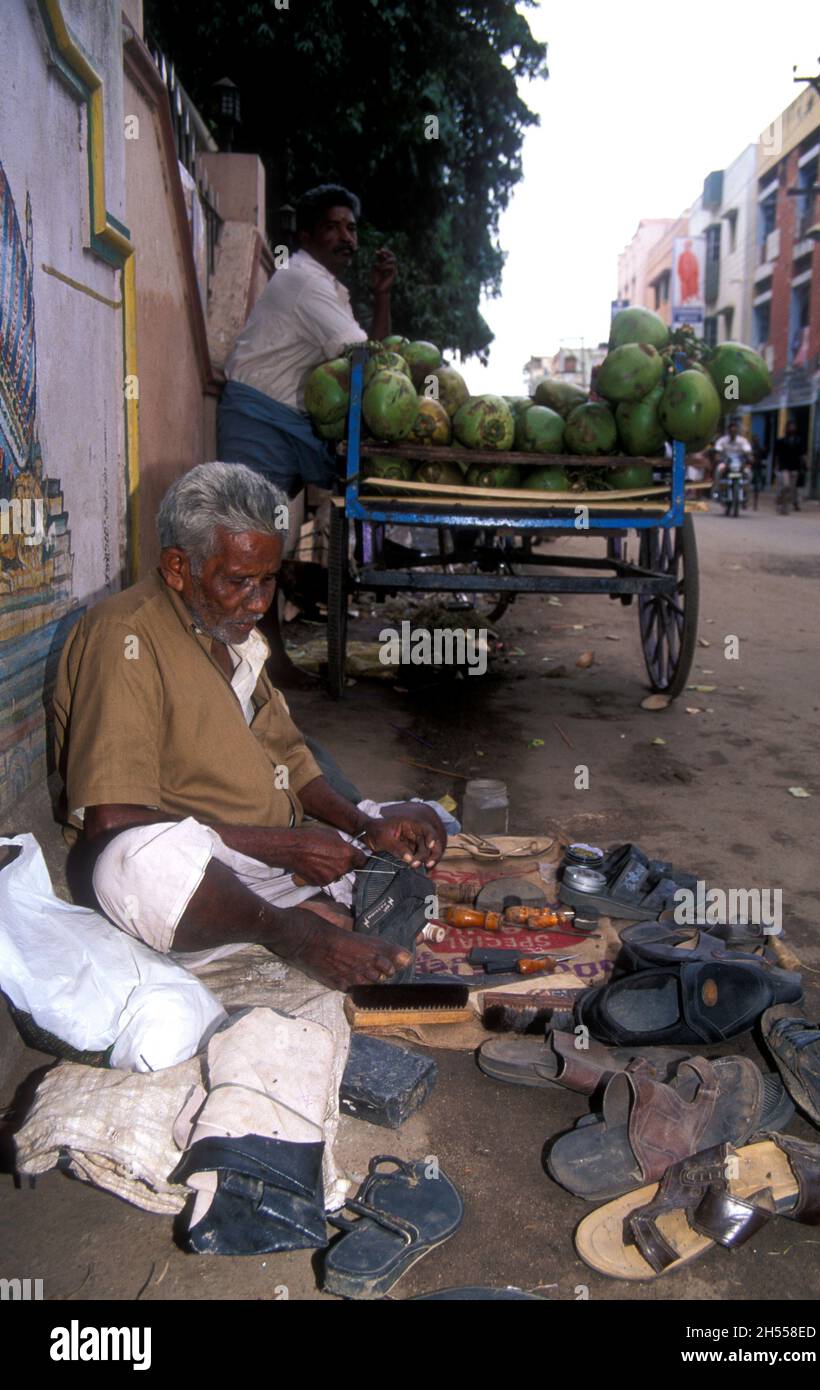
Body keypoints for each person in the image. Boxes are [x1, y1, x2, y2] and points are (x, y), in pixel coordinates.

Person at [52, 463, 448, 1252]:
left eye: (268, 580)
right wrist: (283, 846)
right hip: (186, 884)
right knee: (135, 860)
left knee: (427, 833)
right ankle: (294, 935)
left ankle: (313, 918)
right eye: (239, 581)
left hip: (264, 868)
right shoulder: (123, 638)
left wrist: (363, 824)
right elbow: (114, 822)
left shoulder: (235, 633)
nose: (258, 601)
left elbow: (295, 761)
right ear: (178, 567)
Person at [217, 184, 397, 682]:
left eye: (352, 228)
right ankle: (259, 668)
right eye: (334, 227)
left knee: (264, 541)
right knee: (251, 545)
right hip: (259, 417)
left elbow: (368, 359)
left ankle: (267, 664)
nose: (347, 237)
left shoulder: (328, 289)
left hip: (291, 423)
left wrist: (382, 297)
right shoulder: (303, 281)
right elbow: (368, 357)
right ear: (306, 235)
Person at [773, 420, 805, 515]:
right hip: (784, 467)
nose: (791, 429)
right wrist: (776, 466)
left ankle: (785, 507)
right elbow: (777, 455)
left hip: (795, 467)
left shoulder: (798, 441)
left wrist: (805, 465)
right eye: (790, 427)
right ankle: (779, 500)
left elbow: (802, 454)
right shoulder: (781, 441)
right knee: (785, 485)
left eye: (793, 427)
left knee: (791, 488)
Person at [712, 418, 752, 491]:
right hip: (726, 462)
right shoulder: (722, 440)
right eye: (731, 431)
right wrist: (717, 458)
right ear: (728, 431)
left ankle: (746, 489)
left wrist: (750, 458)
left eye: (734, 431)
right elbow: (717, 451)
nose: (732, 432)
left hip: (740, 464)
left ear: (737, 431)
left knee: (748, 472)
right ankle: (717, 489)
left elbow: (748, 451)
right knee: (718, 470)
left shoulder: (743, 441)